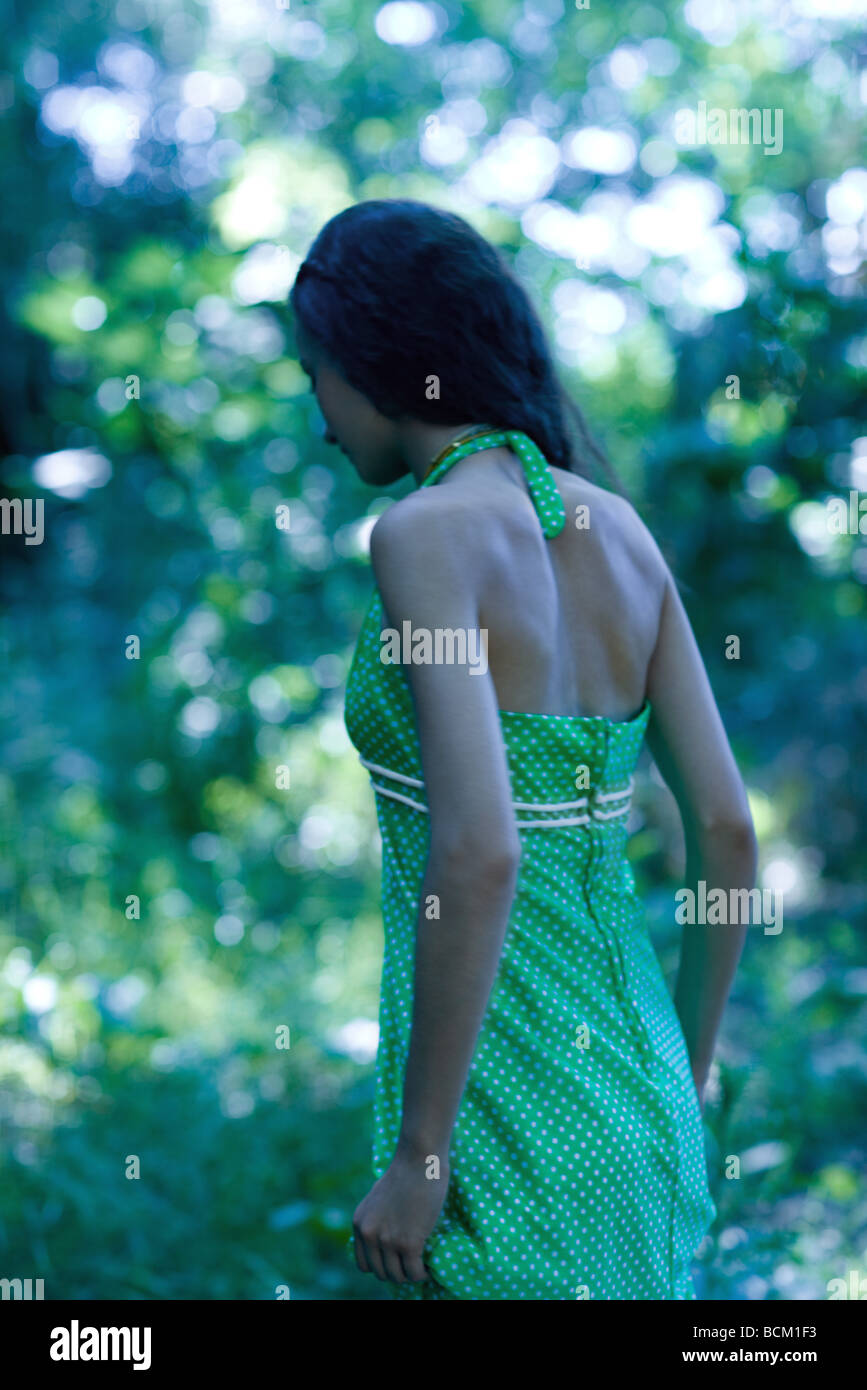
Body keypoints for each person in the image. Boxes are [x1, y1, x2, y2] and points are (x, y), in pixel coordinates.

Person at [289, 199, 758, 1300]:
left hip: (517, 1114)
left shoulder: (423, 535)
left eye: (314, 370)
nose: (316, 410)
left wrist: (421, 1155)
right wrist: (682, 1079)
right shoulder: (620, 531)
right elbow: (729, 833)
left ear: (372, 354)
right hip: (645, 1104)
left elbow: (480, 851)